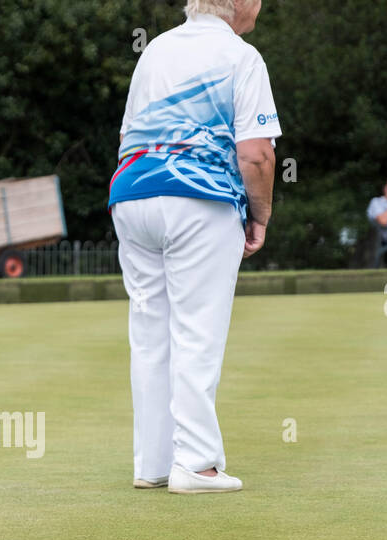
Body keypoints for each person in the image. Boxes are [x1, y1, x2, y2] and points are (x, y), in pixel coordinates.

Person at [109, 0, 277, 494]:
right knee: (197, 329)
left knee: (150, 333)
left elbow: (126, 134)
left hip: (132, 195)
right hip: (198, 196)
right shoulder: (241, 56)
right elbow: (257, 154)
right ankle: (197, 464)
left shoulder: (154, 51)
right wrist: (260, 213)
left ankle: (154, 464)